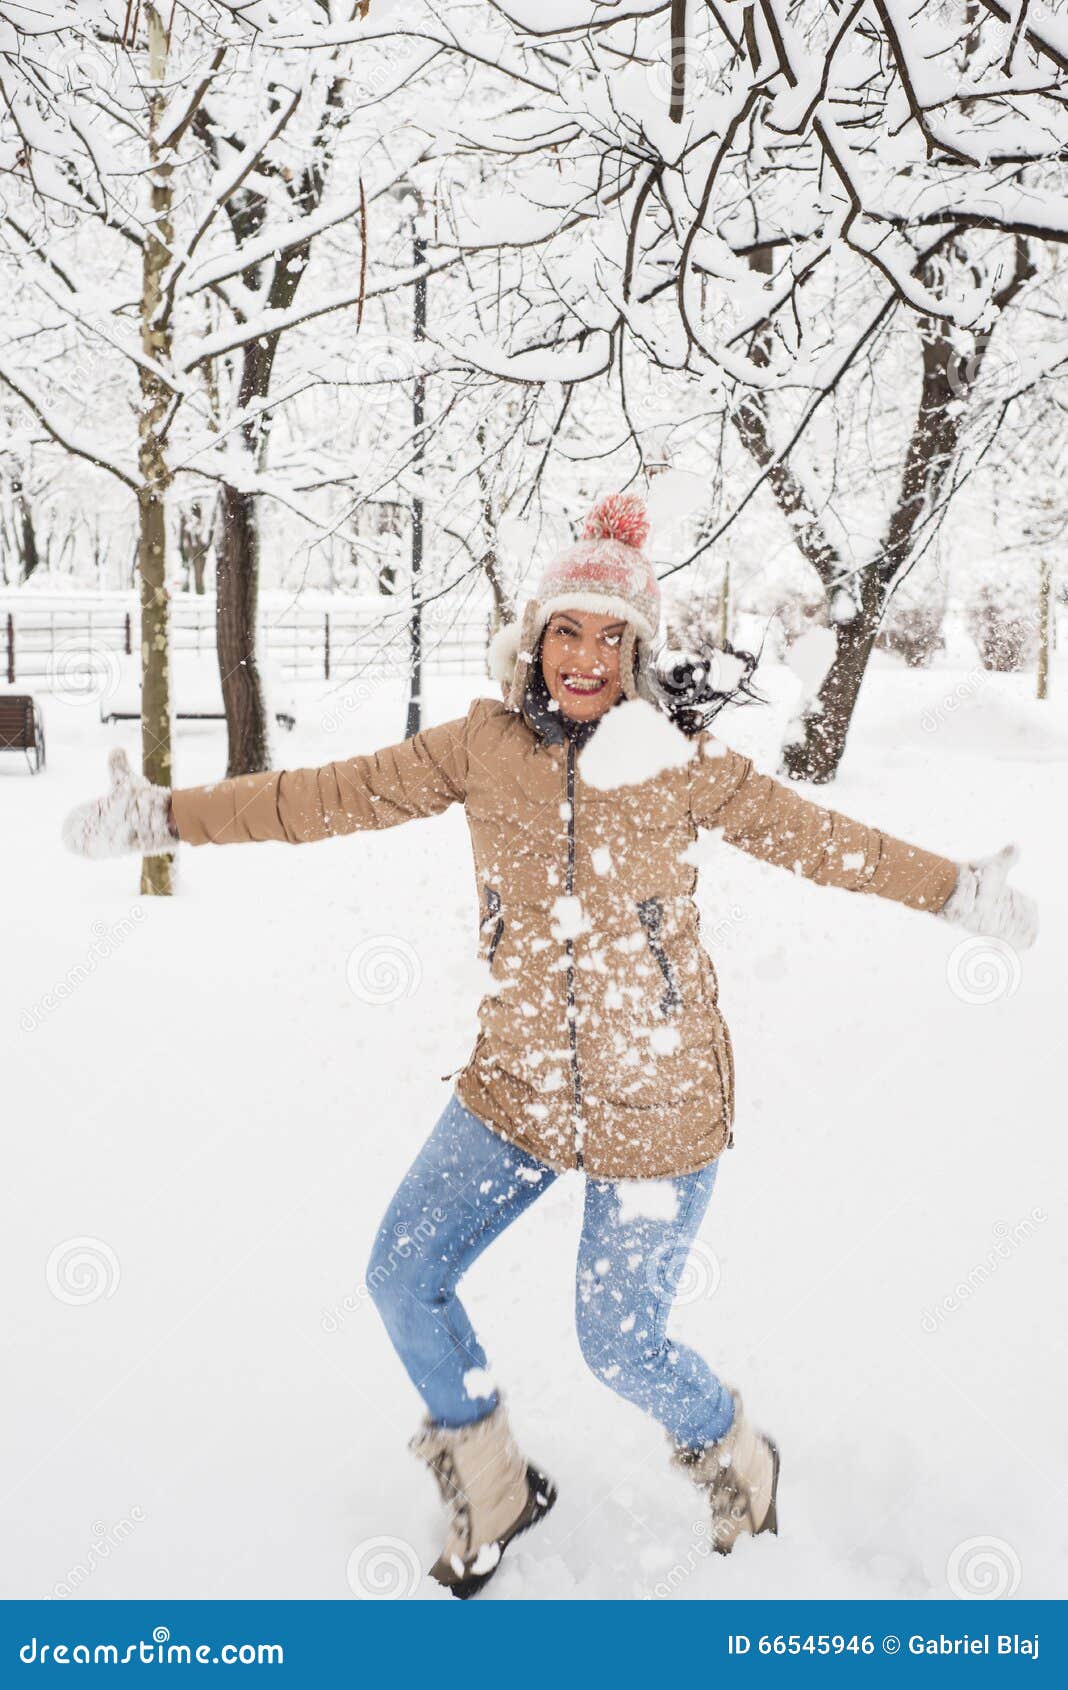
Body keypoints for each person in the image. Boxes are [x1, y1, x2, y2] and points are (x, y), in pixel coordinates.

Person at [63, 493, 1037, 1598]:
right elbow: (318, 797)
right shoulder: (480, 748)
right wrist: (168, 818)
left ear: (637, 654)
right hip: (515, 1090)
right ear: (534, 641)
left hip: (657, 1106)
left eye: (612, 636)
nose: (585, 657)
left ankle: (735, 1453)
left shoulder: (682, 762)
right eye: (566, 631)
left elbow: (829, 842)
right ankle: (490, 1477)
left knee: (619, 1345)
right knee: (402, 1273)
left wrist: (958, 891)